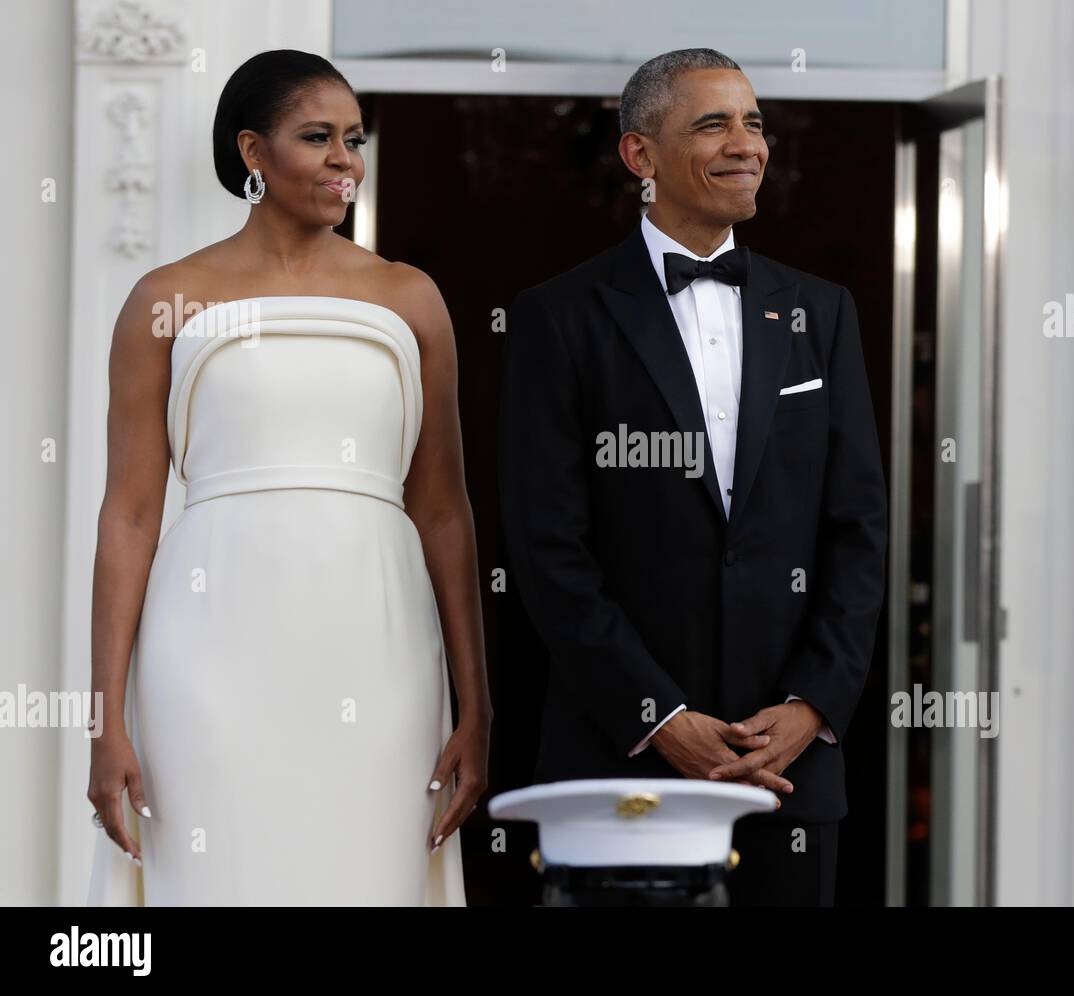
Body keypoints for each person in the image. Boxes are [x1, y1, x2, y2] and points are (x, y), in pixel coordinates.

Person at [86, 49, 489, 905]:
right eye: (318, 137)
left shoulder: (410, 297)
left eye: (354, 138)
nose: (346, 159)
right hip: (208, 649)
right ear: (252, 152)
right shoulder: (167, 297)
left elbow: (446, 511)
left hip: (380, 653)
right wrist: (105, 722)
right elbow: (127, 517)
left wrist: (475, 706)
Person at [498, 48, 887, 906]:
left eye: (754, 122)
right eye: (713, 123)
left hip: (787, 771)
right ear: (641, 156)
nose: (745, 142)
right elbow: (544, 547)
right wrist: (659, 718)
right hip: (618, 766)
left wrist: (812, 707)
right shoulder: (557, 317)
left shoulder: (822, 311)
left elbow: (858, 528)